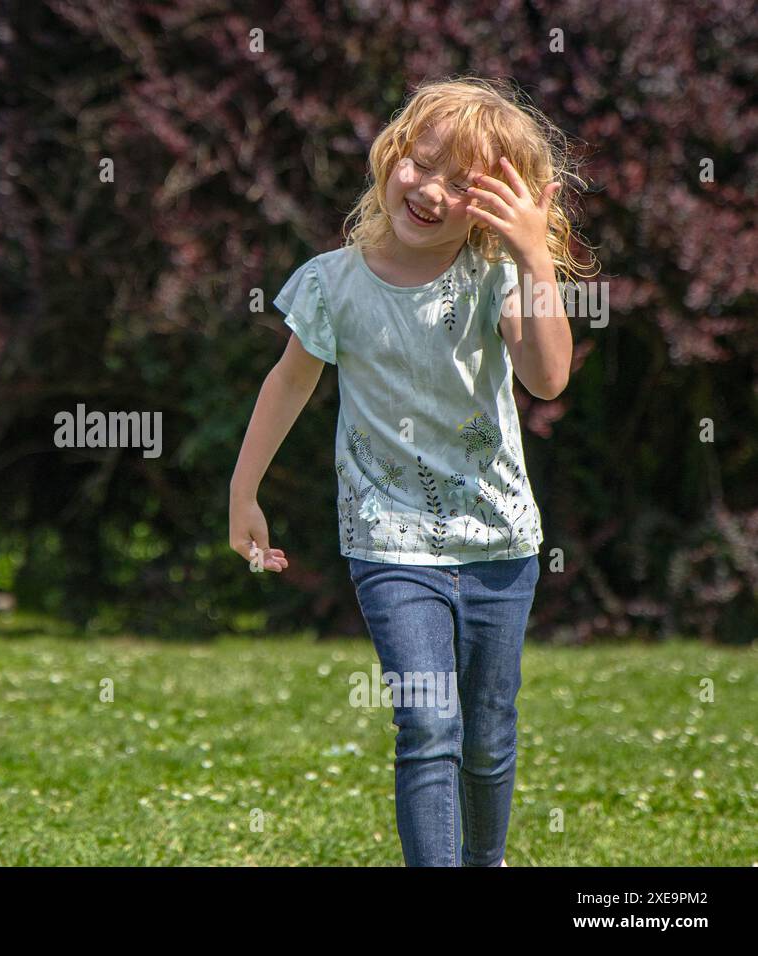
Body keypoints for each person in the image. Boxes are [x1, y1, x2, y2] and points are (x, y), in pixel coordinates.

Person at [228, 76, 597, 866]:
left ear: (503, 204)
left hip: (499, 540)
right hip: (388, 539)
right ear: (392, 153)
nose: (430, 190)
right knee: (429, 722)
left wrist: (535, 257)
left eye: (465, 185)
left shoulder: (496, 276)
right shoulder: (333, 282)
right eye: (422, 163)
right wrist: (243, 491)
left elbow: (548, 378)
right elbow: (289, 381)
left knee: (489, 731)